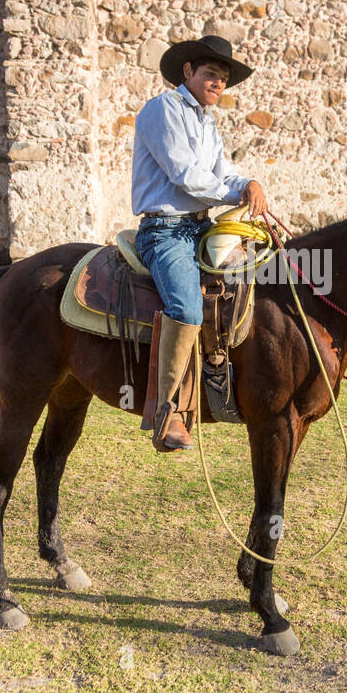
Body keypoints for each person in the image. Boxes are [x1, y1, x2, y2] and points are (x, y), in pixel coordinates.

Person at [132, 34, 268, 451]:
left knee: (250, 282)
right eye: (211, 74)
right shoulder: (162, 110)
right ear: (187, 72)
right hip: (165, 231)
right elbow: (185, 174)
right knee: (188, 306)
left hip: (200, 225)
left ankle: (222, 376)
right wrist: (233, 194)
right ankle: (168, 412)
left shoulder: (207, 121)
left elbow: (221, 172)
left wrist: (248, 183)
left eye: (223, 79)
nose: (218, 84)